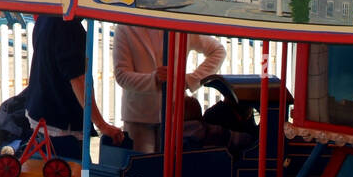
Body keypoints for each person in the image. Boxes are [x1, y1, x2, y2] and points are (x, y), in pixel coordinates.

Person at [113, 24, 226, 153]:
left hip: (174, 113)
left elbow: (218, 51)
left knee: (172, 165)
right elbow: (122, 75)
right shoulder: (126, 27)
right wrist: (153, 80)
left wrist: (190, 80)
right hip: (138, 116)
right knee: (143, 167)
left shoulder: (178, 24)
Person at [20, 15, 122, 150]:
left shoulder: (46, 17)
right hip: (62, 122)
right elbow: (78, 80)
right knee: (78, 169)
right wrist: (101, 124)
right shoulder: (69, 28)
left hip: (39, 111)